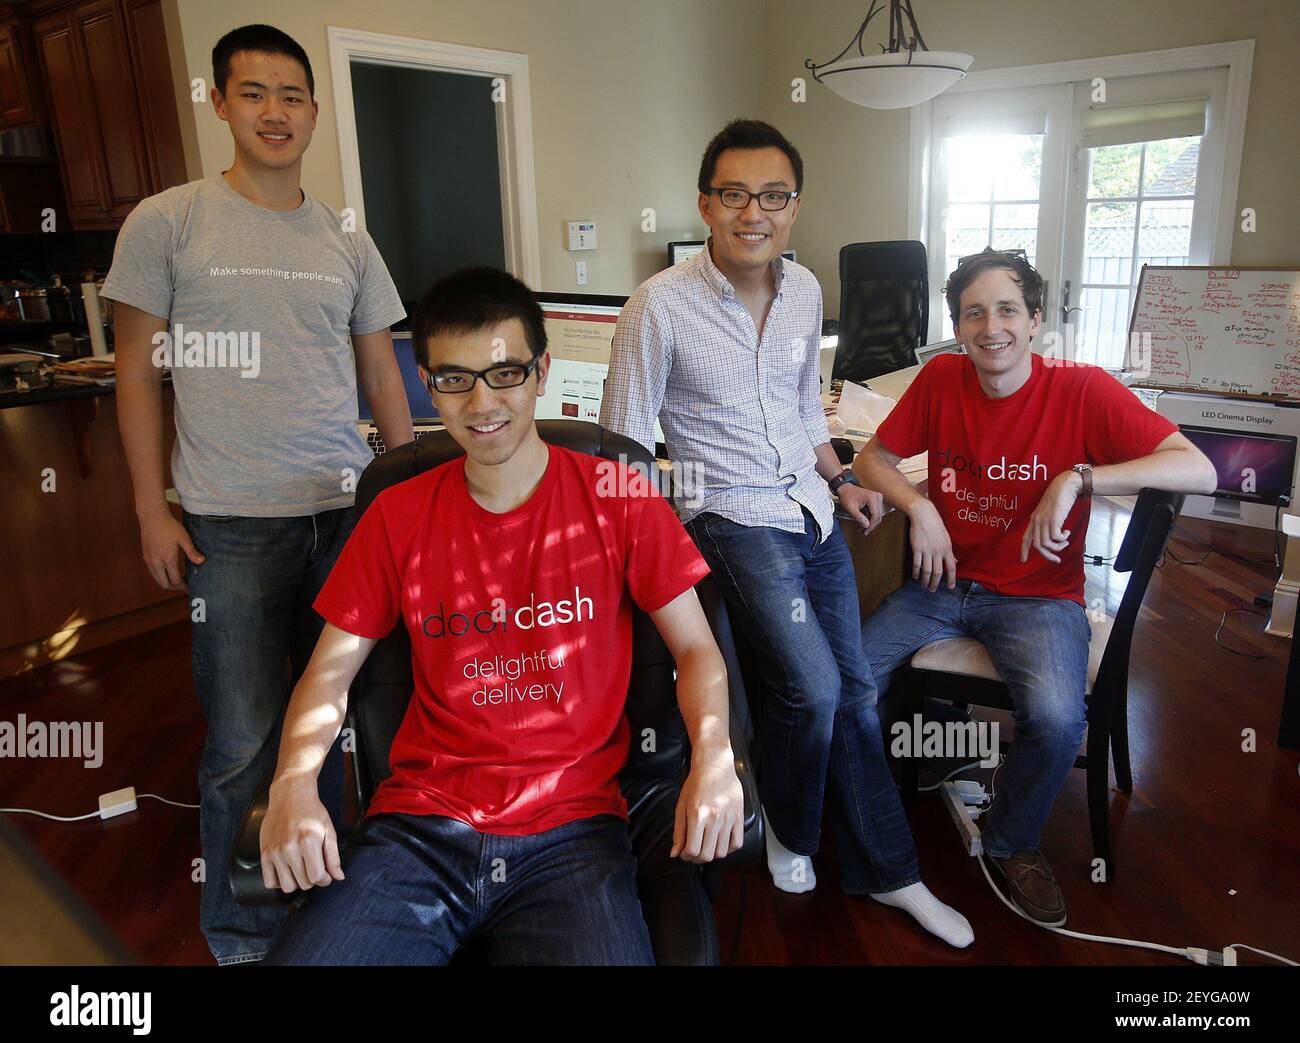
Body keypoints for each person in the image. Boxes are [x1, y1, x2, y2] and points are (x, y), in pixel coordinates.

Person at [259, 267, 744, 965]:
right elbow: (328, 674)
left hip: (572, 833)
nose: (482, 401)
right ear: (428, 385)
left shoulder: (620, 493)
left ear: (541, 371)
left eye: (505, 372)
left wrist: (715, 760)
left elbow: (698, 651)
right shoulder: (396, 513)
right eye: (454, 379)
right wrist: (292, 784)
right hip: (421, 830)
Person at [601, 119, 973, 948]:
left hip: (809, 506)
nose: (753, 212)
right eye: (734, 194)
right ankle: (790, 830)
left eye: (773, 196)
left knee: (856, 691)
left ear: (794, 207)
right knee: (813, 689)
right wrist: (651, 556)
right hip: (730, 515)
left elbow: (808, 408)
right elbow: (623, 452)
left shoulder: (804, 292)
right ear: (706, 203)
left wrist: (841, 479)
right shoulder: (656, 307)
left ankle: (891, 870)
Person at [102, 24, 412, 964]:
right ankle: (241, 931)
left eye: (290, 95)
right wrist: (152, 507)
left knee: (364, 719)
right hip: (229, 523)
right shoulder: (168, 221)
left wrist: (407, 489)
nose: (274, 112)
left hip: (345, 513)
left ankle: (353, 890)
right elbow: (134, 372)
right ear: (220, 103)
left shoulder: (347, 238)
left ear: (315, 113)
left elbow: (383, 373)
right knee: (243, 735)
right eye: (253, 93)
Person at [852, 250, 1217, 925]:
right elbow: (870, 456)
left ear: (1036, 319)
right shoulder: (940, 379)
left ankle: (1009, 838)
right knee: (849, 685)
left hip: (1040, 598)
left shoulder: (1081, 387)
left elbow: (1199, 469)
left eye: (1008, 309)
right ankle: (885, 821)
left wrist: (1078, 476)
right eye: (974, 312)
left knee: (1054, 719)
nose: (992, 326)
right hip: (944, 584)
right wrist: (920, 505)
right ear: (957, 327)